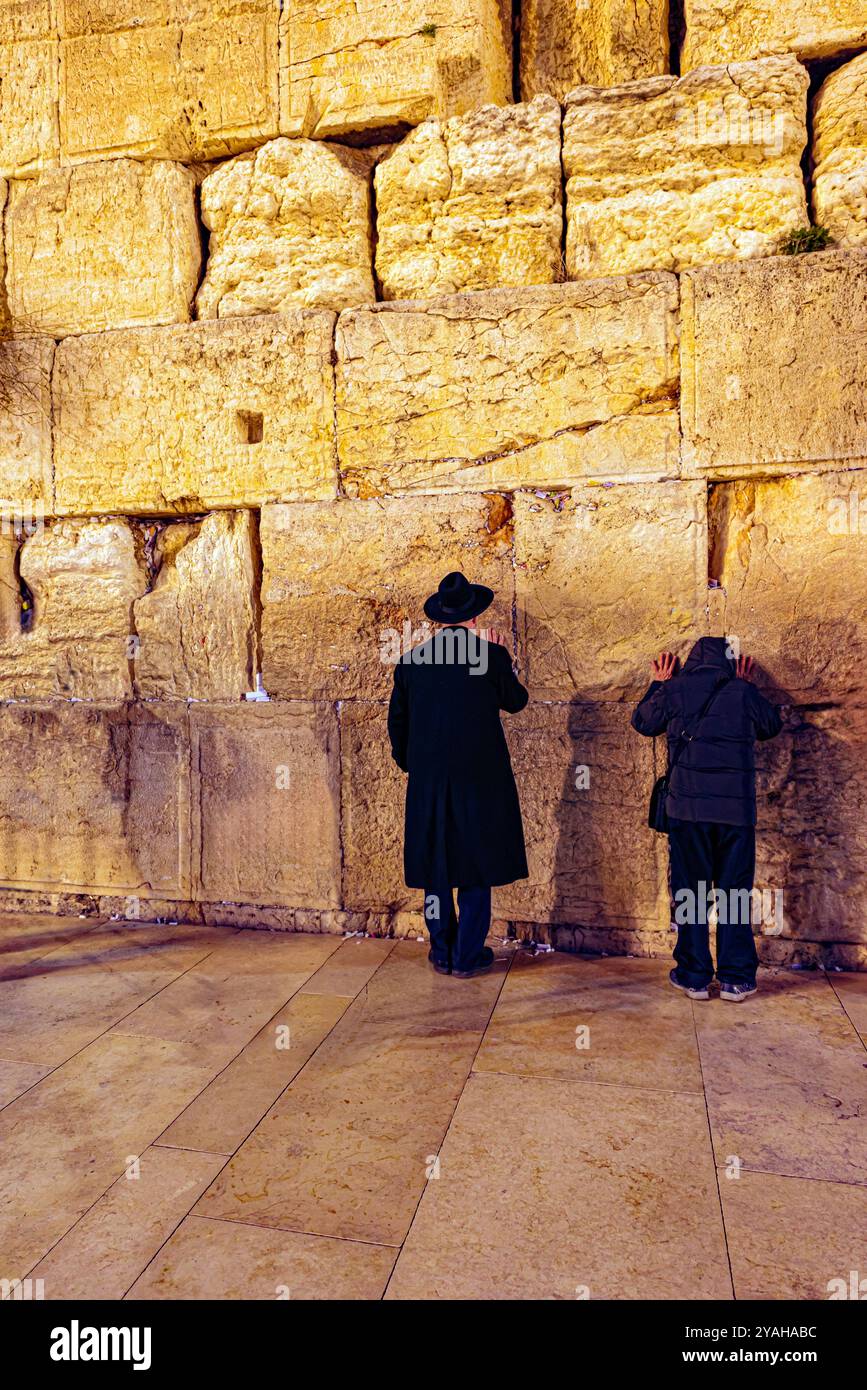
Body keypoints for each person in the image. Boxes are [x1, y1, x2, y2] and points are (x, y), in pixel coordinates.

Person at [387, 571, 529, 978]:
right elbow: (516, 702)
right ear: (474, 615)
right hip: (480, 781)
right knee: (475, 863)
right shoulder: (489, 656)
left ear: (440, 618)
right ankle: (467, 955)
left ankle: (442, 950)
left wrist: (413, 764)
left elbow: (398, 724)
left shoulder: (411, 663)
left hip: (429, 781)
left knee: (435, 867)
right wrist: (502, 657)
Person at [632, 636, 782, 1002]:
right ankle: (735, 978)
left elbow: (643, 721)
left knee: (691, 893)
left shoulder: (676, 689)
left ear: (693, 660)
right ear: (731, 664)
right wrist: (746, 687)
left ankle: (694, 975)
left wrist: (661, 684)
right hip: (735, 816)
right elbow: (772, 725)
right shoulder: (742, 692)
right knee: (733, 893)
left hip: (688, 814)